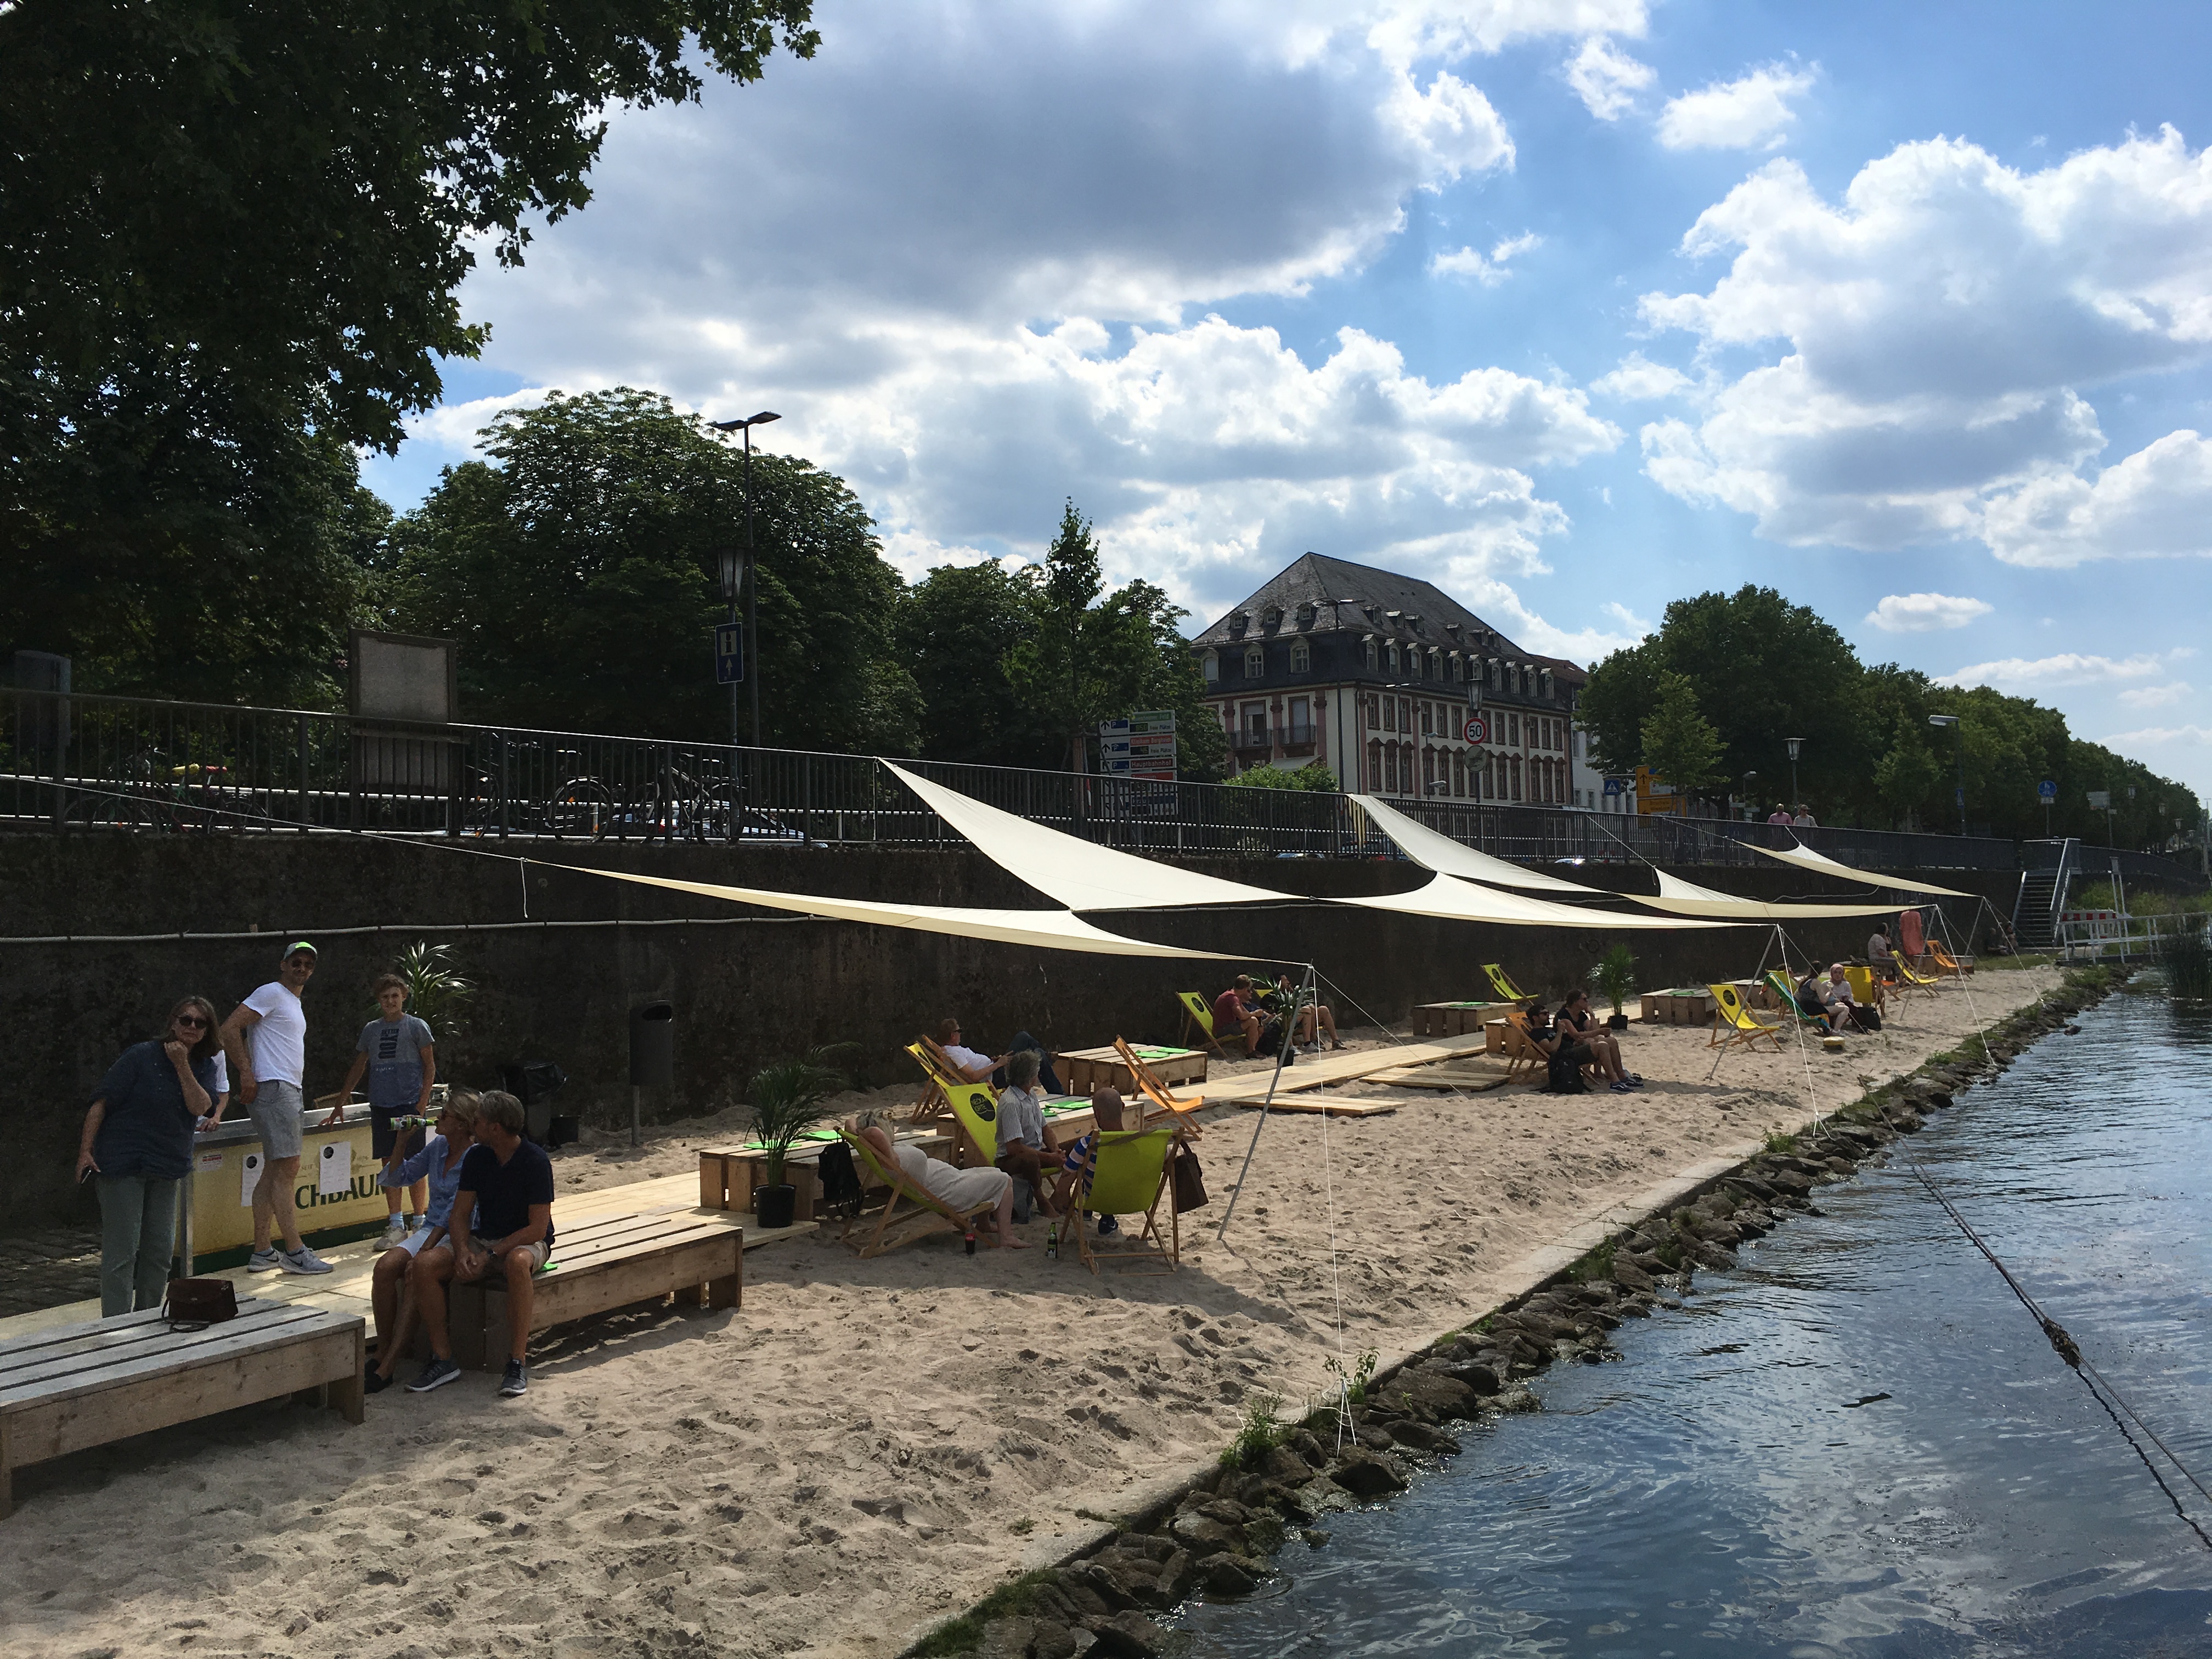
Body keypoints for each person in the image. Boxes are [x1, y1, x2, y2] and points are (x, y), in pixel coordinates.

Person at [76, 997, 223, 1317]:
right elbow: (101, 1102)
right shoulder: (141, 1056)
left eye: (201, 1023)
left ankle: (146, 1318)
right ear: (173, 1022)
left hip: (167, 1166)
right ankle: (115, 1325)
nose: (192, 1027)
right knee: (123, 1251)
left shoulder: (205, 1066)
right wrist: (85, 1151)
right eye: (186, 1020)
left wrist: (182, 1065)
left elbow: (200, 1107)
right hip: (123, 1164)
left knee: (158, 1253)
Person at [405, 1091, 554, 1398]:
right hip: (483, 1236)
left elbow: (537, 1227)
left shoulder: (535, 1161)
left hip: (524, 1240)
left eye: (479, 1122)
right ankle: (443, 1357)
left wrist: (489, 1254)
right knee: (423, 1265)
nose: (474, 1126)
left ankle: (516, 1361)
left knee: (516, 1263)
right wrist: (461, 1251)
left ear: (495, 1128)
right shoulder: (477, 1157)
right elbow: (459, 1215)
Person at [218, 941, 332, 1275]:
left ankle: (263, 1251)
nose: (302, 968)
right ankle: (295, 1251)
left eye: (308, 964)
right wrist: (247, 1072)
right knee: (287, 1168)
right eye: (296, 962)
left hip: (286, 1089)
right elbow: (229, 1028)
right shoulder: (270, 992)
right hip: (275, 1088)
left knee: (275, 1169)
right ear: (284, 964)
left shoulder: (291, 1002)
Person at [362, 1091, 479, 1394]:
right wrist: (402, 1140)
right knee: (385, 1268)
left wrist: (425, 1250)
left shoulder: (475, 1158)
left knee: (417, 1271)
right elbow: (396, 1179)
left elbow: (457, 1214)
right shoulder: (439, 1146)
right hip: (431, 1227)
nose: (438, 1118)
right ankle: (383, 1350)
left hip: (459, 1231)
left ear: (463, 1125)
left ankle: (391, 1362)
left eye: (445, 1115)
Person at [334, 972, 438, 1245]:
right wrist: (341, 1100)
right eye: (385, 997)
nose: (390, 1001)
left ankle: (420, 1220)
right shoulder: (371, 1030)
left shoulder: (417, 1027)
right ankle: (395, 1223)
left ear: (404, 996)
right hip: (381, 1104)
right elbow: (359, 1066)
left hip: (410, 1103)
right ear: (379, 1000)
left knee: (415, 1161)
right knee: (388, 1162)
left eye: (395, 996)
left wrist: (422, 1102)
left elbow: (430, 1066)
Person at [857, 1122, 1023, 1247]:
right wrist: (868, 1131)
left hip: (952, 1180)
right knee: (1004, 1179)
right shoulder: (892, 1158)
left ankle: (983, 1224)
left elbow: (855, 1127)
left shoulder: (885, 1154)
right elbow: (873, 1133)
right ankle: (1006, 1237)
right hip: (952, 1192)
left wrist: (858, 1131)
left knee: (991, 1173)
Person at [1050, 1087, 1131, 1232]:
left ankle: (1086, 1210)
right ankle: (1107, 1220)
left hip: (1098, 1201)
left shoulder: (1086, 1146)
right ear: (1123, 1108)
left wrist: (1073, 1210)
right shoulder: (1143, 1142)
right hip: (1136, 1200)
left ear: (1098, 1114)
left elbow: (1062, 1191)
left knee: (1085, 1166)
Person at [992, 1050, 1060, 1218]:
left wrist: (1056, 1152)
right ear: (1031, 1076)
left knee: (1082, 1146)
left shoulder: (1031, 1096)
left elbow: (1045, 1129)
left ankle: (1061, 1196)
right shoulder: (1010, 1103)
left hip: (1033, 1152)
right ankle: (1042, 1200)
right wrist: (1050, 1159)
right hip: (1010, 1160)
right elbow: (1014, 1149)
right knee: (1031, 1159)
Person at [1559, 989, 1638, 1089]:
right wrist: (1599, 1032)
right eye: (1585, 999)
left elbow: (1594, 1029)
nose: (1587, 1002)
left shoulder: (1581, 1015)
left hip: (1581, 1045)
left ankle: (1621, 1075)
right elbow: (1576, 1035)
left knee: (1611, 1041)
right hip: (1569, 1050)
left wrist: (1592, 1015)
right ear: (1575, 1002)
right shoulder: (1563, 1016)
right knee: (1596, 1042)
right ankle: (1614, 1080)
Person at [1274, 974, 1341, 1052]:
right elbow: (1275, 1016)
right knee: (1308, 1010)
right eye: (1285, 980)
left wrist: (1294, 996)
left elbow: (1307, 1003)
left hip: (1305, 1020)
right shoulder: (1274, 996)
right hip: (1290, 1023)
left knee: (1323, 1010)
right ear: (1279, 983)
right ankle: (1310, 1041)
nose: (1288, 982)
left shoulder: (1293, 994)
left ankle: (1336, 1041)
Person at [934, 1018, 1007, 1084]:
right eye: (959, 1031)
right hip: (993, 1076)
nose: (960, 1034)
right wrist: (998, 1064)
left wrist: (994, 1062)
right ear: (953, 1036)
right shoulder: (954, 1053)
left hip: (993, 1069)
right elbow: (974, 1076)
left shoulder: (951, 1050)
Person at [1211, 981, 1263, 1057]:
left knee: (1254, 1021)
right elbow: (1241, 1016)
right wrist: (1255, 1013)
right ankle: (1251, 1051)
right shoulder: (1232, 998)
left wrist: (1258, 1019)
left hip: (1227, 1027)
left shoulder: (1233, 996)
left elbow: (1246, 1013)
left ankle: (1253, 1050)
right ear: (1245, 988)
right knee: (1253, 1021)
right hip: (1222, 1030)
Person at [1796, 969, 1850, 1034]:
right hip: (1812, 1009)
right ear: (1821, 972)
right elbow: (1823, 1001)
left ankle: (1830, 1028)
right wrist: (1829, 993)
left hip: (1805, 1006)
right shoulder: (1815, 982)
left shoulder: (1805, 981)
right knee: (1845, 1009)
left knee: (1841, 1004)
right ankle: (1836, 1031)